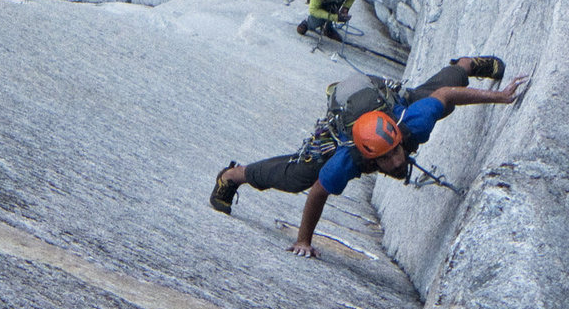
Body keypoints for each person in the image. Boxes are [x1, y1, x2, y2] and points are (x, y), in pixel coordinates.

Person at [209, 56, 528, 258]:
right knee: (296, 177)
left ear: (400, 139)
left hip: (390, 105)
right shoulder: (348, 158)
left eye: (396, 153)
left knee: (450, 83)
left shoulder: (410, 123)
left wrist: (499, 97)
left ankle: (468, 63)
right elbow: (318, 192)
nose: (397, 163)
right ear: (369, 159)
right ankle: (232, 175)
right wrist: (304, 240)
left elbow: (445, 96)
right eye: (386, 160)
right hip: (346, 126)